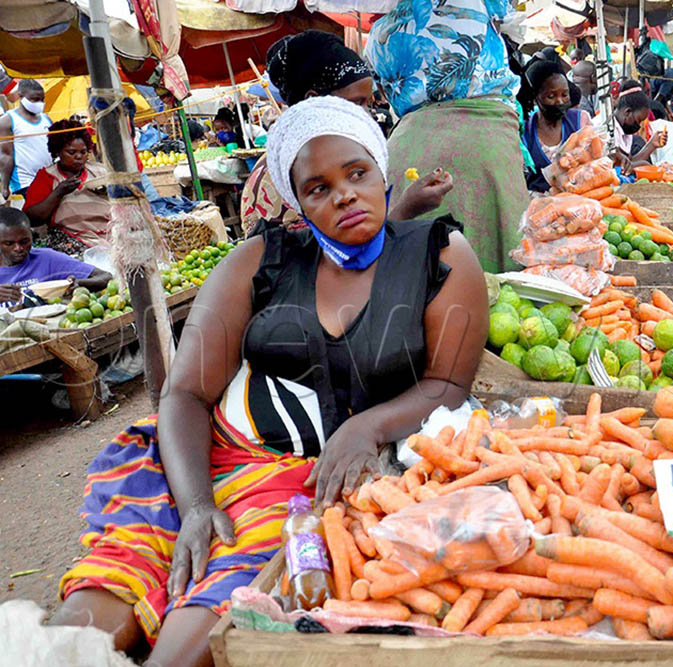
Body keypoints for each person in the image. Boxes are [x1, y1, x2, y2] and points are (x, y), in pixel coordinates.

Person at [50, 96, 488, 666]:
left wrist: (366, 426)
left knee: (215, 608)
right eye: (318, 188)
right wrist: (198, 504)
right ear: (299, 202)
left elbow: (447, 383)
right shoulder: (261, 260)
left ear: (382, 172)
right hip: (210, 458)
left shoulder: (440, 255)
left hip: (309, 487)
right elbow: (184, 394)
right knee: (119, 577)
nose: (344, 194)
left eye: (357, 174)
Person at [365, 0, 530, 273]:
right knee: (499, 291)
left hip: (406, 147)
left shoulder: (382, 30)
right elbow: (511, 21)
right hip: (483, 142)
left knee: (414, 277)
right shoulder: (472, 4)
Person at [241, 31, 452, 237]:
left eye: (368, 103)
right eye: (356, 103)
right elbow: (338, 259)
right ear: (313, 101)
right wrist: (406, 209)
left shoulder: (332, 158)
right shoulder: (290, 175)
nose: (367, 114)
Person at [23, 120, 112, 254]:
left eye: (83, 152)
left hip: (109, 234)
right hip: (72, 238)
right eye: (71, 152)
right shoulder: (47, 176)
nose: (78, 157)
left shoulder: (100, 172)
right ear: (58, 152)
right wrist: (58, 193)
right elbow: (32, 218)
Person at [0, 207, 110, 309]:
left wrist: (79, 283)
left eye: (24, 241)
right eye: (9, 243)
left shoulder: (47, 259)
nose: (18, 248)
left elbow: (106, 276)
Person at [523, 61, 588, 192]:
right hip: (539, 207)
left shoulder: (580, 121)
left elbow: (595, 160)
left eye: (564, 95)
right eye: (551, 96)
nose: (559, 101)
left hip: (579, 201)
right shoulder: (524, 132)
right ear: (536, 97)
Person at [0, 79, 53, 200]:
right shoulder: (7, 121)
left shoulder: (46, 119)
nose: (40, 103)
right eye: (35, 99)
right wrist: (5, 187)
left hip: (49, 180)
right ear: (21, 96)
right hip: (24, 183)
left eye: (42, 99)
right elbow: (5, 156)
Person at [613, 83, 667, 172]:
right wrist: (644, 165)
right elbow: (619, 167)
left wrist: (652, 144)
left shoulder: (625, 132)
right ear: (627, 112)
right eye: (638, 121)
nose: (639, 126)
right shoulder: (607, 129)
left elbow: (629, 162)